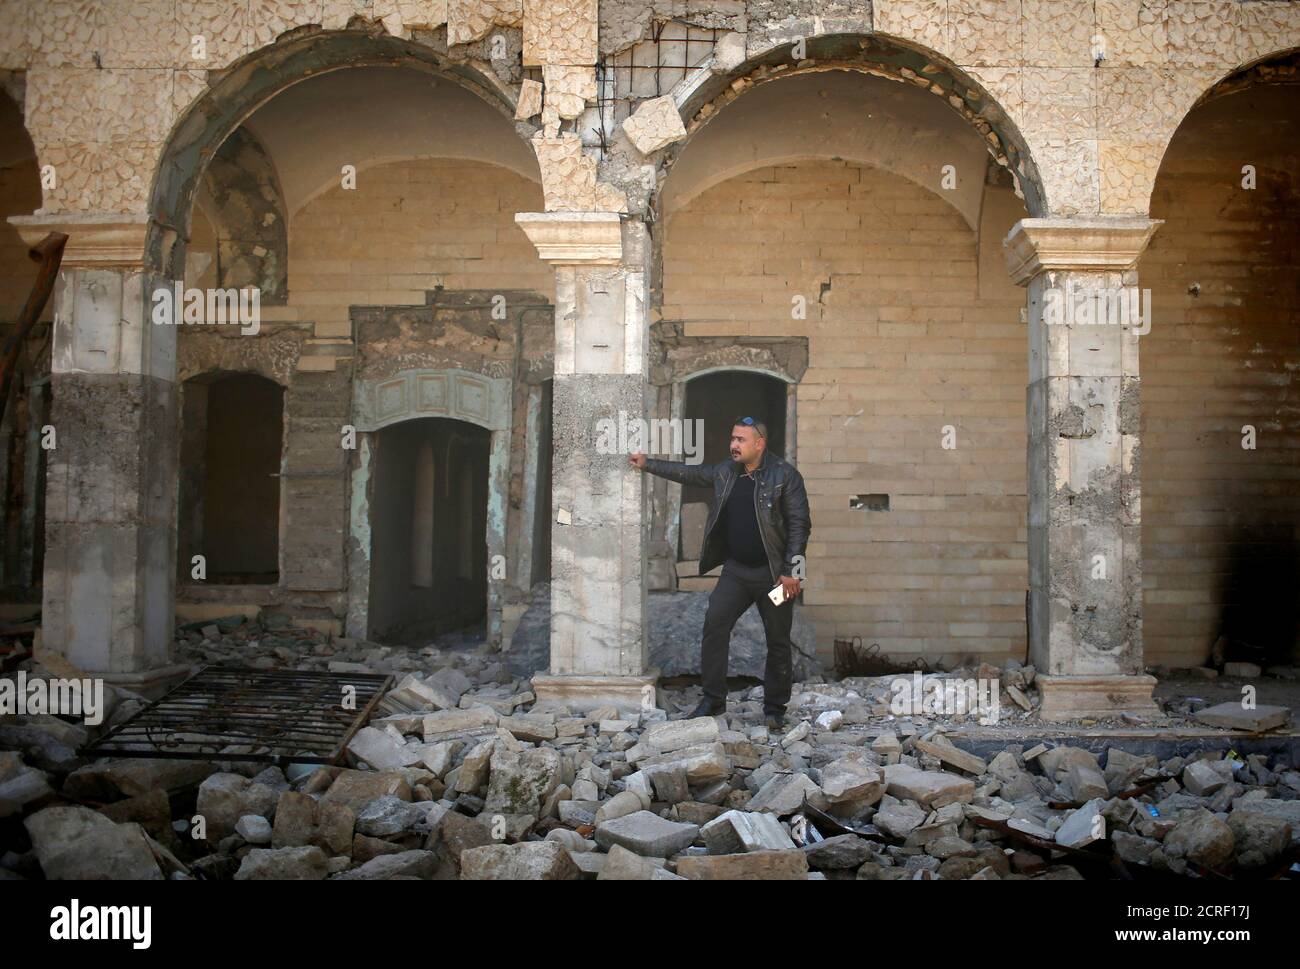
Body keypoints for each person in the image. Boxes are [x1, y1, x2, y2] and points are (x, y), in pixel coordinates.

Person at [630, 416, 811, 730]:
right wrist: (647, 463)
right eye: (733, 438)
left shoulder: (786, 476)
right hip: (737, 572)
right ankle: (713, 698)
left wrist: (793, 571)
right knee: (714, 625)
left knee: (778, 641)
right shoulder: (726, 472)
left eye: (741, 439)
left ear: (759, 443)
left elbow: (800, 525)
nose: (733, 445)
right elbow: (690, 473)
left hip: (775, 575)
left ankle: (774, 710)